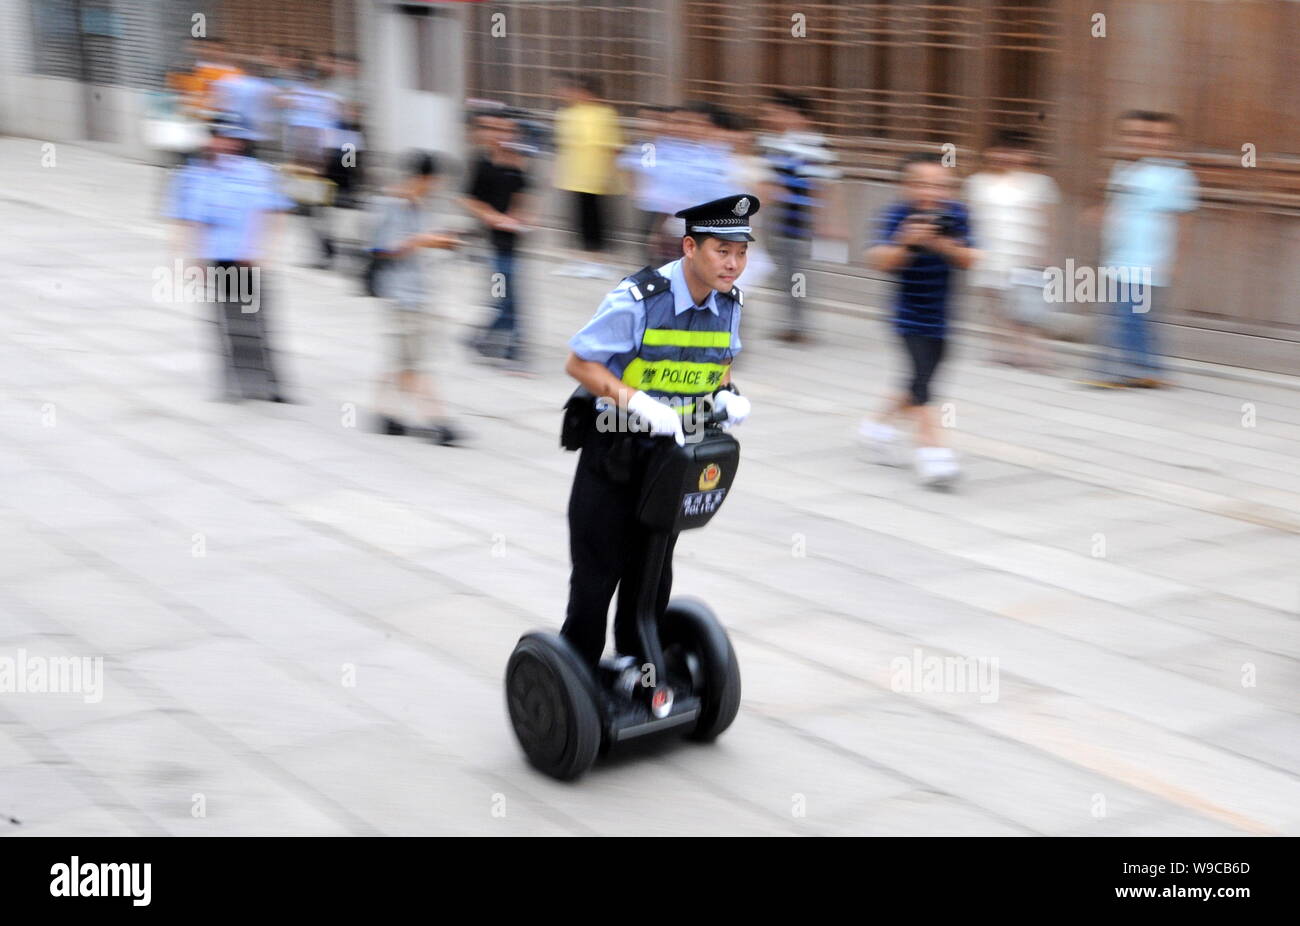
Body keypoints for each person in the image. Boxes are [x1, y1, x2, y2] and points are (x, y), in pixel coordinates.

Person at [558, 194, 758, 667]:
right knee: (597, 573)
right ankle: (577, 684)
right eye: (722, 251)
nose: (734, 264)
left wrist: (726, 395)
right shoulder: (639, 299)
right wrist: (638, 402)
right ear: (690, 247)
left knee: (652, 570)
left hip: (671, 458)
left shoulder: (729, 304)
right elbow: (578, 362)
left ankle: (637, 668)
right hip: (615, 449)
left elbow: (719, 363)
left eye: (741, 252)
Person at [862, 152, 977, 487]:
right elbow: (879, 261)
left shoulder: (958, 215)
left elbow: (971, 259)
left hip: (942, 318)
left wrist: (941, 243)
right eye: (923, 184)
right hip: (907, 317)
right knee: (923, 387)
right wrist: (906, 242)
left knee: (916, 382)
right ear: (906, 186)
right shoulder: (896, 215)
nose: (932, 191)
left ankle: (877, 425)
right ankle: (933, 454)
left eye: (941, 185)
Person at [166, 117, 294, 403]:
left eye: (231, 137)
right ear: (210, 139)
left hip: (248, 260)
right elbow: (190, 220)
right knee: (226, 324)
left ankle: (272, 385)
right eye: (219, 136)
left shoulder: (257, 172)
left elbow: (275, 212)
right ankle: (232, 385)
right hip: (219, 258)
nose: (226, 142)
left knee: (259, 323)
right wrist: (190, 260)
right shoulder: (197, 175)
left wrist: (266, 252)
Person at [1084, 111, 1198, 389]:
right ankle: (1150, 369)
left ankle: (1116, 371)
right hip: (1121, 256)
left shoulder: (1176, 175)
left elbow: (1184, 220)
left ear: (1172, 141)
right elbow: (1117, 207)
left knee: (1128, 316)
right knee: (1133, 317)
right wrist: (1100, 215)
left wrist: (1176, 260)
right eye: (1135, 134)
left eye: (1157, 137)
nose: (1146, 141)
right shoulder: (1123, 170)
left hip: (1150, 260)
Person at [368, 151, 463, 445]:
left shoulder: (419, 206)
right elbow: (383, 248)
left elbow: (415, 242)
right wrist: (425, 240)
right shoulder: (392, 205)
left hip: (418, 293)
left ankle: (383, 413)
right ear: (424, 178)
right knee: (414, 361)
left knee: (403, 358)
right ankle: (435, 420)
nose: (436, 187)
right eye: (434, 181)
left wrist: (440, 240)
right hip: (401, 295)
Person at [964, 129, 1060, 368]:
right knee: (994, 304)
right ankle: (998, 348)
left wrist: (1047, 254)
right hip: (989, 252)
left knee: (1026, 309)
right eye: (1002, 150)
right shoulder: (977, 182)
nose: (1008, 156)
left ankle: (1033, 351)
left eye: (1017, 151)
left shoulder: (1040, 183)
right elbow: (970, 218)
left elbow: (1050, 222)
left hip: (1024, 252)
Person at [758, 91, 839, 343]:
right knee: (783, 274)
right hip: (775, 218)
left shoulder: (813, 143)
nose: (769, 118)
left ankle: (798, 326)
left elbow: (821, 184)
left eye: (775, 113)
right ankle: (790, 323)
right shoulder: (772, 142)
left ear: (796, 115)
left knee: (796, 274)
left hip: (797, 219)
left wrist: (825, 221)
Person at [460, 111, 534, 369]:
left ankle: (482, 340)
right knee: (506, 295)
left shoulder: (518, 164)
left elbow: (523, 197)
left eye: (508, 131)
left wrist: (520, 217)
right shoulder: (482, 163)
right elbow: (468, 198)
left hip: (512, 241)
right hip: (490, 243)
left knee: (506, 295)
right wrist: (491, 216)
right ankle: (514, 348)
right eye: (497, 129)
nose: (502, 136)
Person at [550, 74, 623, 278]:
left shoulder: (605, 114)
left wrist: (611, 173)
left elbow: (614, 147)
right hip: (573, 175)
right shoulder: (565, 114)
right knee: (576, 219)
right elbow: (561, 146)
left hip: (596, 177)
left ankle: (599, 261)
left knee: (596, 220)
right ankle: (579, 259)